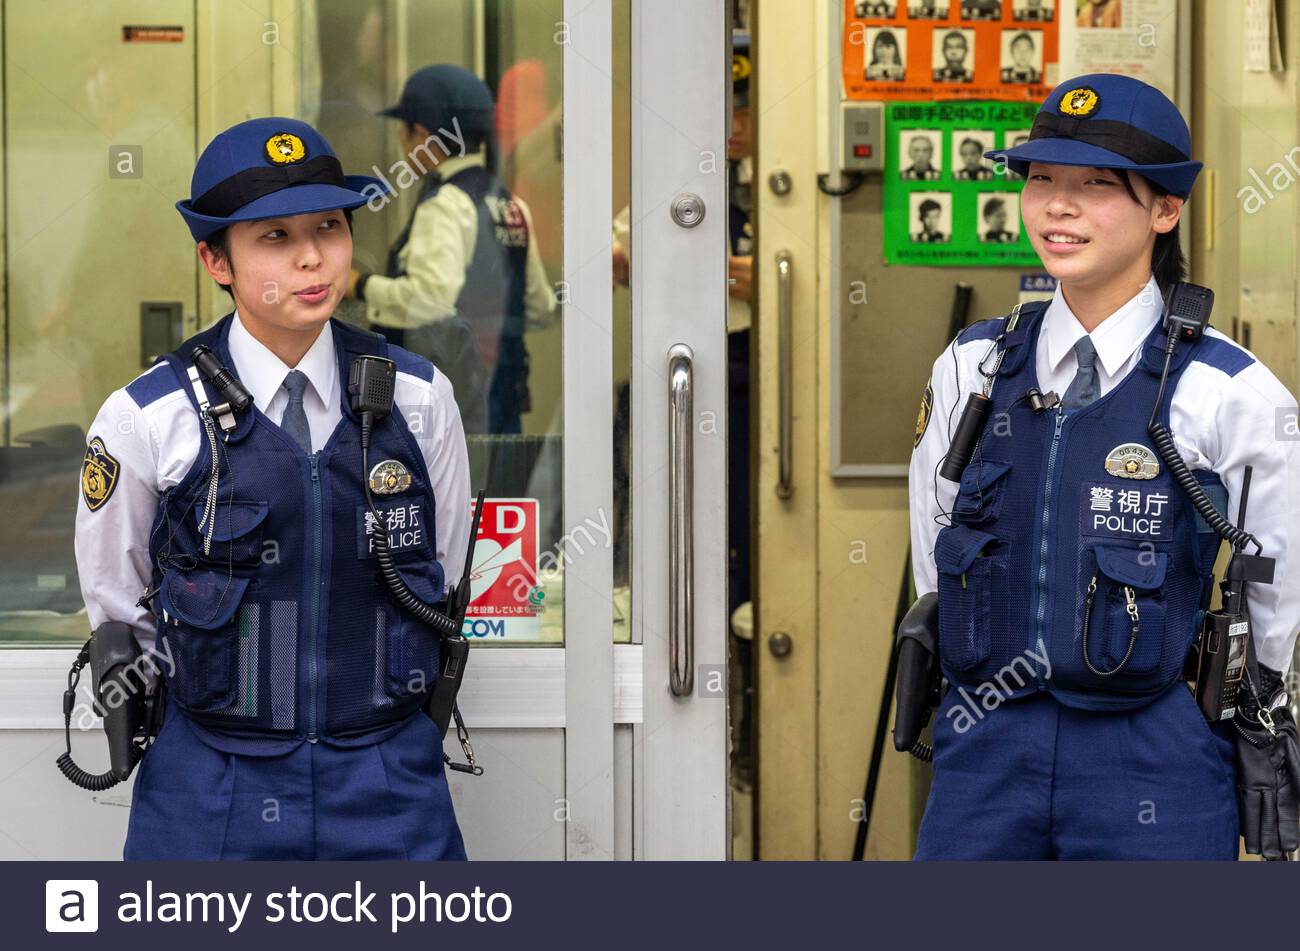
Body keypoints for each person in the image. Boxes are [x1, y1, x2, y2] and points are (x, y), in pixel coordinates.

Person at [905, 73, 1300, 859]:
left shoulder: (1228, 389)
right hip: (985, 742)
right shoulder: (975, 364)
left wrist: (1238, 708)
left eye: (1095, 185)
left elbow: (1278, 577)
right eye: (1043, 179)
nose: (1057, 206)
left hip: (1153, 750)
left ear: (1165, 208)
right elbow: (934, 536)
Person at [74, 116, 472, 860]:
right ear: (214, 258)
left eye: (329, 225)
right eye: (275, 237)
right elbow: (119, 609)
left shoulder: (418, 399)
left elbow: (442, 576)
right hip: (212, 785)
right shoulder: (148, 418)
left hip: (388, 782)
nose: (313, 256)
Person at [350, 64, 556, 436]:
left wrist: (360, 286)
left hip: (449, 407)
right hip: (503, 399)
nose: (402, 143)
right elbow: (540, 308)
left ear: (423, 135)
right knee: (495, 494)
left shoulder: (444, 205)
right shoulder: (510, 205)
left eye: (404, 131)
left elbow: (431, 301)